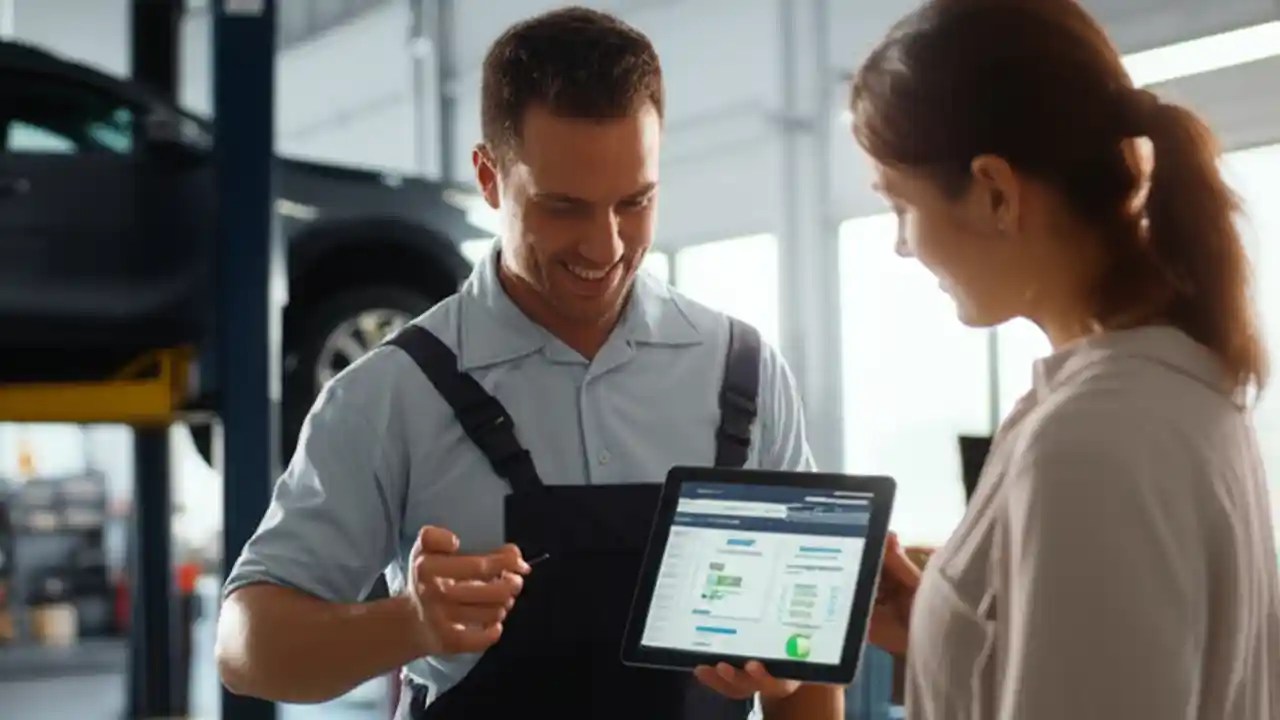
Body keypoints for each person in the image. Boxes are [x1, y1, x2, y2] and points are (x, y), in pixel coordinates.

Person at [214, 7, 842, 719]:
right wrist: (406, 624)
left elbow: (810, 659)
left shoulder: (745, 373)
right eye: (563, 207)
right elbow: (245, 649)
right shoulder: (391, 393)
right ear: (489, 177)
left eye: (634, 202)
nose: (604, 247)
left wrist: (783, 675)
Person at [851, 0, 1280, 718]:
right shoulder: (1179, 390)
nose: (902, 244)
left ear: (994, 192)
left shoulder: (1092, 439)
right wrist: (949, 627)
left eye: (900, 205)